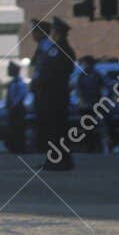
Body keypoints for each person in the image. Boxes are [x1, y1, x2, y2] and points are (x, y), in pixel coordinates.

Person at [31, 18, 77, 171]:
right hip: (57, 94)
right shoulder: (62, 49)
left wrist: (39, 83)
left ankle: (57, 160)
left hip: (53, 95)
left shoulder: (58, 50)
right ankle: (61, 159)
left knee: (54, 129)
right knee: (58, 129)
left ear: (58, 32)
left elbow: (50, 71)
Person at [72, 54, 111, 155]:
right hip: (86, 106)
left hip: (97, 105)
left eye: (87, 64)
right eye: (84, 64)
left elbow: (104, 88)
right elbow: (78, 91)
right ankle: (89, 146)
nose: (85, 66)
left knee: (101, 126)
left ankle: (103, 147)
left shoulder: (98, 75)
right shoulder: (81, 76)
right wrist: (81, 102)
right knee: (87, 127)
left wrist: (103, 100)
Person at [4, 61, 30, 154]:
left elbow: (21, 96)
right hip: (12, 109)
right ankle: (13, 147)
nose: (8, 71)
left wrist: (13, 105)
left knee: (18, 128)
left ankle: (19, 147)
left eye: (10, 69)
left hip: (18, 110)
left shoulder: (20, 83)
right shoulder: (12, 83)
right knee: (12, 129)